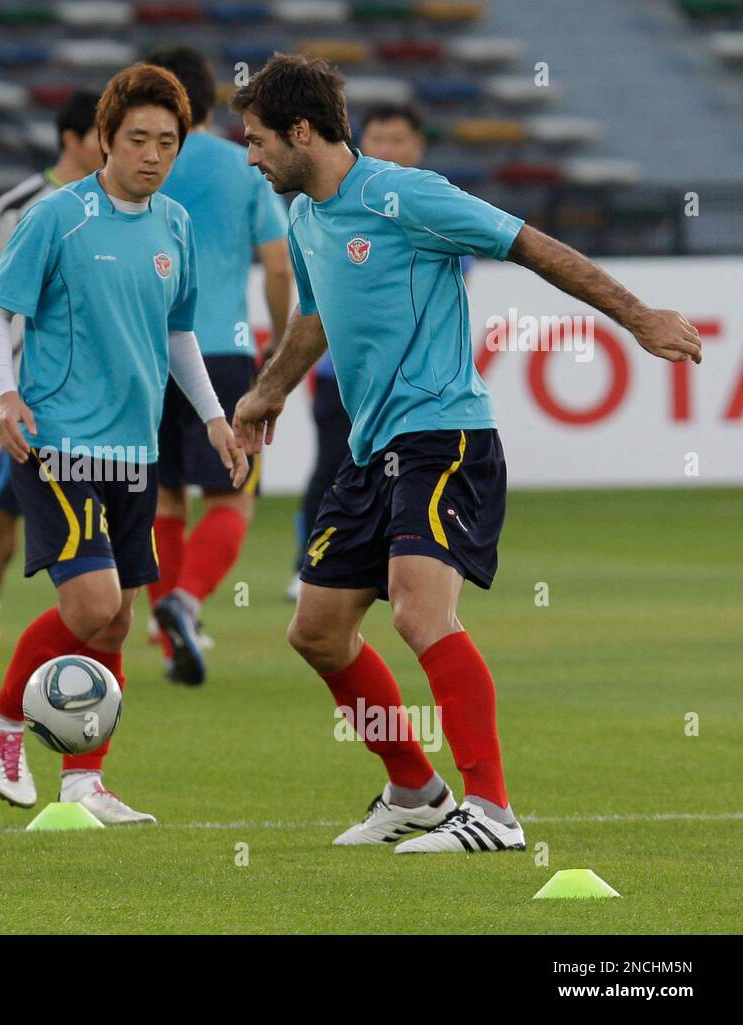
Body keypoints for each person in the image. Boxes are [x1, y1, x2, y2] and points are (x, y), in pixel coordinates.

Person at [231, 55, 701, 853]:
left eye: (257, 139)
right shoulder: (305, 215)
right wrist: (270, 387)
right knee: (315, 630)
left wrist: (637, 315)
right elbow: (314, 316)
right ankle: (415, 788)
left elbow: (532, 245)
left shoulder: (406, 195)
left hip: (442, 433)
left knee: (419, 610)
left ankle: (493, 812)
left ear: (301, 131)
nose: (251, 155)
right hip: (371, 444)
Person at [0, 65, 247, 824]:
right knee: (92, 602)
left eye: (167, 141)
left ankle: (85, 782)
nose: (153, 154)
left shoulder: (176, 224)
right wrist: (4, 392)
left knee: (121, 619)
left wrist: (215, 417)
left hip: (134, 452)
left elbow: (178, 332)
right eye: (138, 139)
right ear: (105, 139)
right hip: (55, 440)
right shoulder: (59, 217)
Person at [141, 45, 292, 685]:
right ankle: (189, 601)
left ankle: (169, 629)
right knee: (233, 495)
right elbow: (280, 265)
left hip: (149, 352)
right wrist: (280, 348)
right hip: (224, 349)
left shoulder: (139, 164)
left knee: (164, 500)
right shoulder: (242, 166)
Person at [0, 89, 104, 655]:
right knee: (3, 505)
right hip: (34, 391)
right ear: (71, 139)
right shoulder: (22, 206)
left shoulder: (119, 204)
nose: (111, 148)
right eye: (100, 136)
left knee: (125, 501)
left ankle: (128, 616)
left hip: (102, 395)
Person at [285, 102, 432, 602]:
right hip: (337, 377)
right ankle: (308, 561)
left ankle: (390, 566)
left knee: (401, 478)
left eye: (398, 139)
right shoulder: (317, 208)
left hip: (409, 391)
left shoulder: (431, 205)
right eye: (378, 138)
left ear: (418, 147)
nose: (387, 148)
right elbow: (314, 310)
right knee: (332, 466)